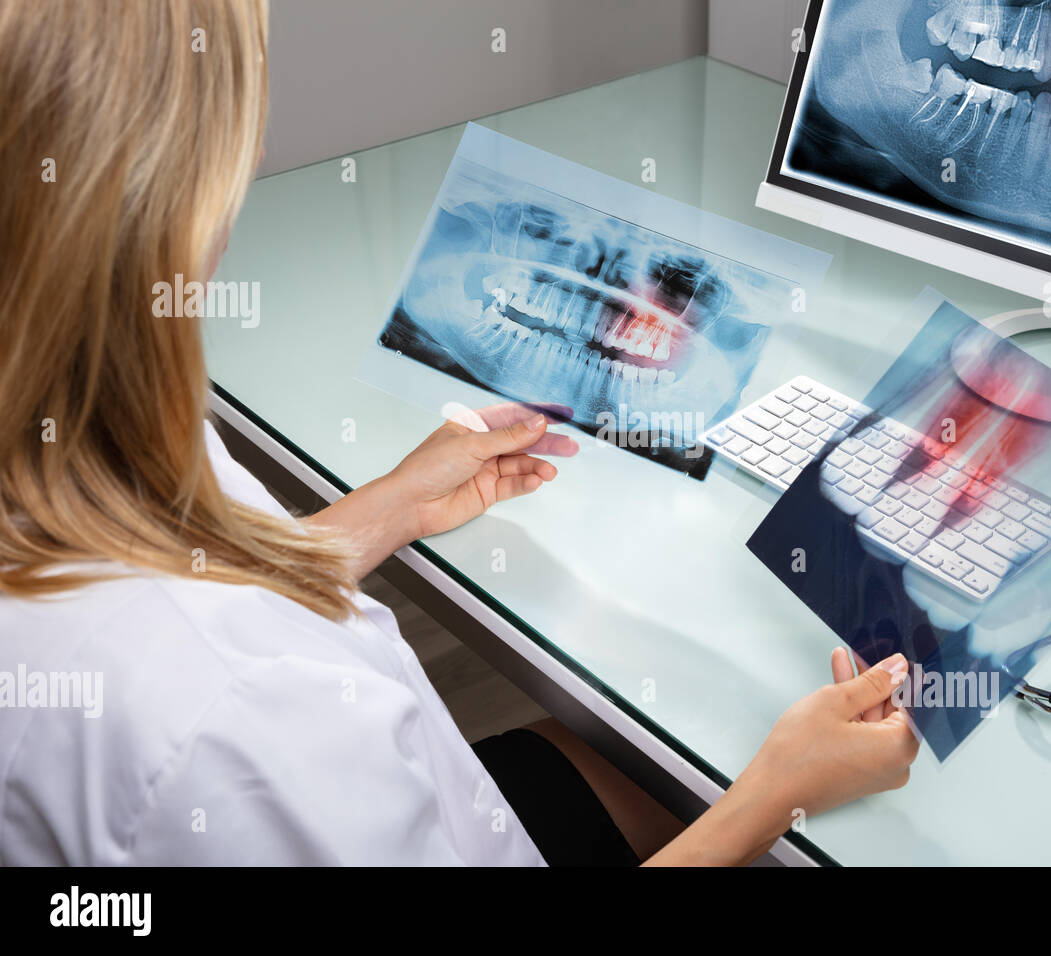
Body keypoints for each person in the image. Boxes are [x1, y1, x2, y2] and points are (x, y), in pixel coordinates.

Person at [0, 0, 917, 866]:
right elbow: (219, 666)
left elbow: (181, 593)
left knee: (648, 756)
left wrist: (383, 511)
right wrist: (774, 797)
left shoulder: (70, 425)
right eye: (236, 128)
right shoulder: (239, 720)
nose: (259, 152)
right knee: (724, 776)